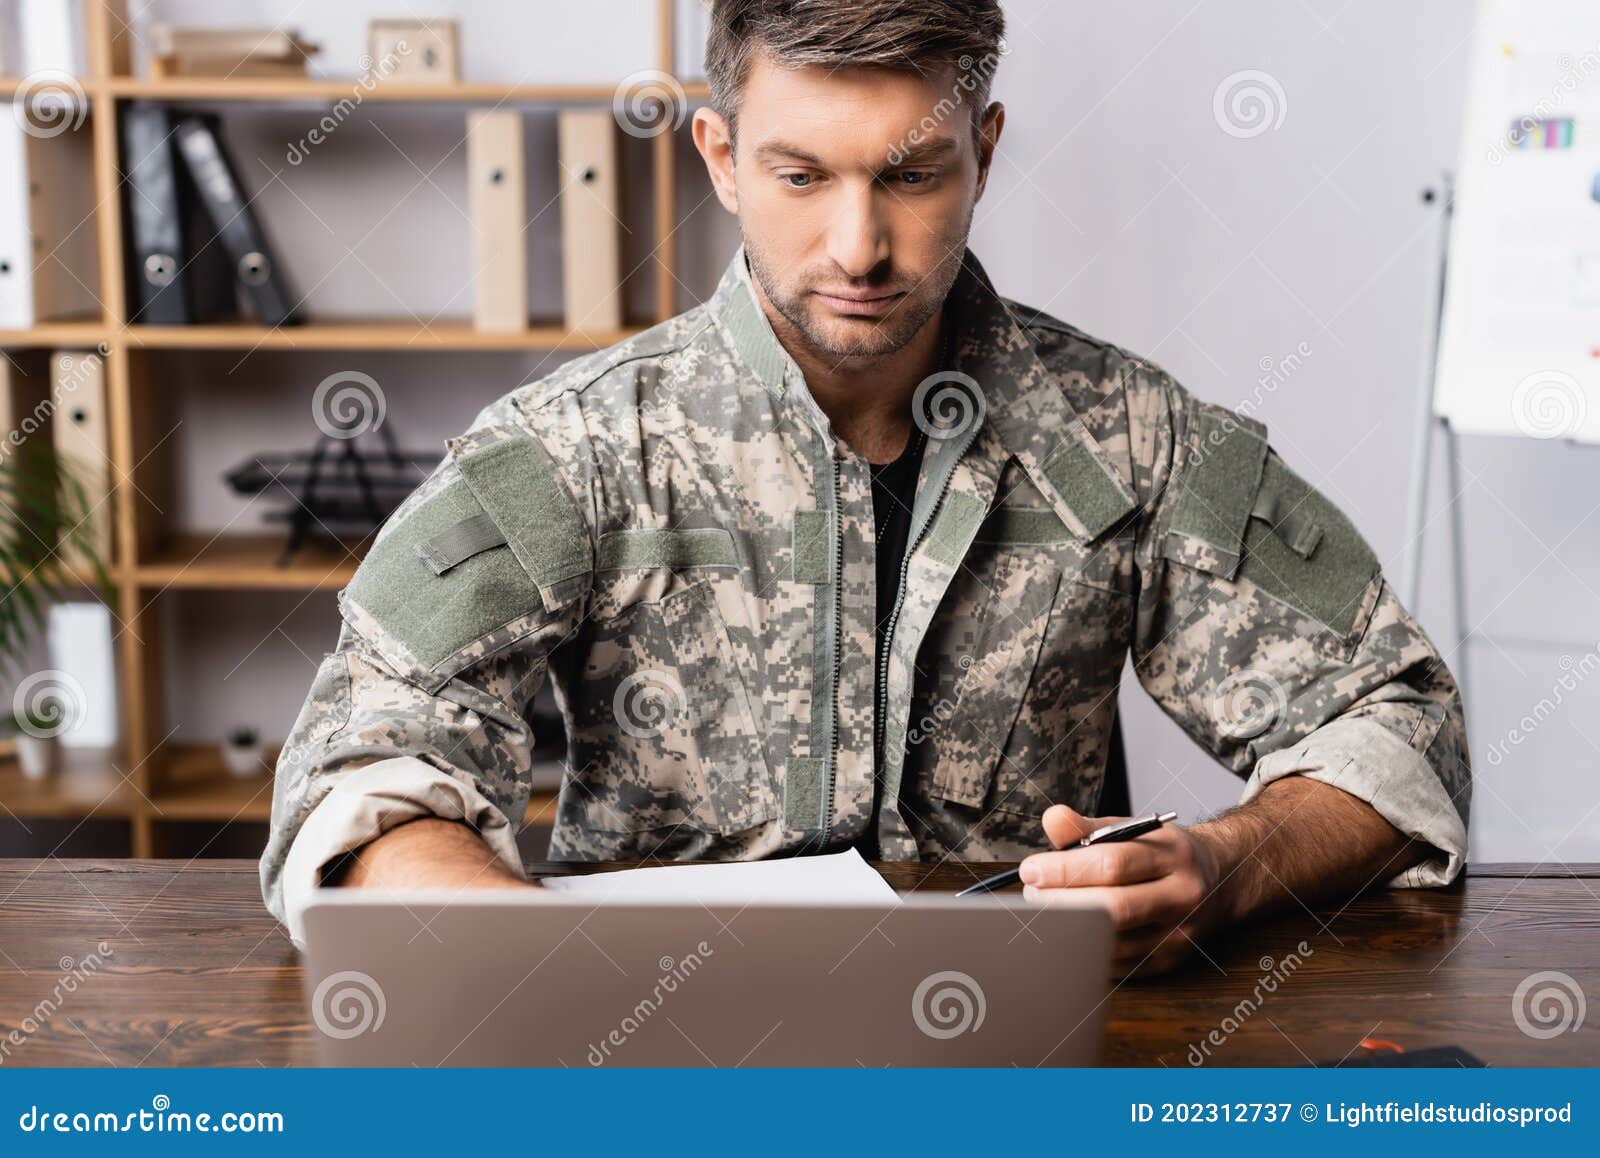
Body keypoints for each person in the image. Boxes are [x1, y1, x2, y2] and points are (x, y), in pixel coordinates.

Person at [261, 0, 1470, 978]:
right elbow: (361, 767)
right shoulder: (569, 448)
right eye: (801, 177)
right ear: (721, 158)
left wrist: (1226, 865)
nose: (858, 247)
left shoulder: (1132, 437)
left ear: (982, 152)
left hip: (1027, 1060)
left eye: (911, 176)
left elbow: (1397, 719)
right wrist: (527, 953)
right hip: (651, 1052)